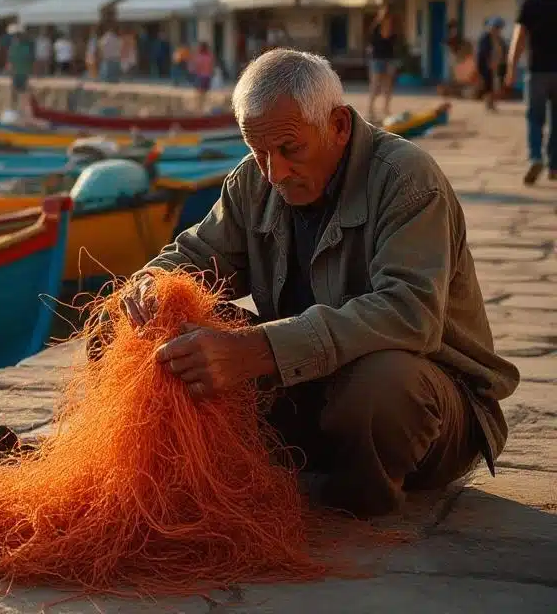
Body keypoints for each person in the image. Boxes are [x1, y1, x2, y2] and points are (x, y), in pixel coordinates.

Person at [87, 49, 518, 518]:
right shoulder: (253, 182)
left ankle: (358, 493)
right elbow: (192, 256)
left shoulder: (407, 180)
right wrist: (151, 284)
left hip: (427, 410)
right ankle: (239, 469)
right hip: (307, 392)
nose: (275, 172)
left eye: (291, 150)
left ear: (338, 125)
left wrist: (256, 350)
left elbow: (409, 313)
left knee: (381, 384)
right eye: (259, 153)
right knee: (137, 329)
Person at [505, 0, 557, 185]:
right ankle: (554, 165)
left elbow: (519, 38)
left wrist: (511, 68)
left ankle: (536, 157)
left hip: (537, 71)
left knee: (535, 117)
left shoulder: (531, 4)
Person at [367, 6, 399, 121]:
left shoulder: (393, 29)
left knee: (388, 85)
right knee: (375, 85)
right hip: (377, 59)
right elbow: (372, 43)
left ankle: (386, 109)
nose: (386, 18)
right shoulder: (375, 28)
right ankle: (370, 110)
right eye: (384, 15)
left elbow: (393, 43)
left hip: (389, 59)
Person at [476, 17, 506, 111]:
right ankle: (489, 103)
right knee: (488, 85)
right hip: (486, 66)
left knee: (495, 86)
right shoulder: (485, 39)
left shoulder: (500, 39)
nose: (497, 30)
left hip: (498, 66)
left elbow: (503, 51)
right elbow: (483, 53)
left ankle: (492, 103)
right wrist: (489, 63)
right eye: (495, 27)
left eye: (498, 28)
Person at [6, 25, 34, 107]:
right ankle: (15, 107)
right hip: (16, 72)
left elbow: (30, 59)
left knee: (23, 91)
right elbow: (10, 59)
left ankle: (22, 107)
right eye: (14, 36)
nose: (15, 37)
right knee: (15, 91)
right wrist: (9, 68)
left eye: (16, 35)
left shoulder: (27, 46)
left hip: (23, 72)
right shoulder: (13, 46)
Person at [189, 40, 216, 112]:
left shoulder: (198, 56)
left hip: (200, 77)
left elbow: (195, 67)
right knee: (204, 94)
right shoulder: (210, 56)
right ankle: (202, 109)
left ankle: (199, 109)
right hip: (207, 77)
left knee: (199, 95)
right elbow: (212, 67)